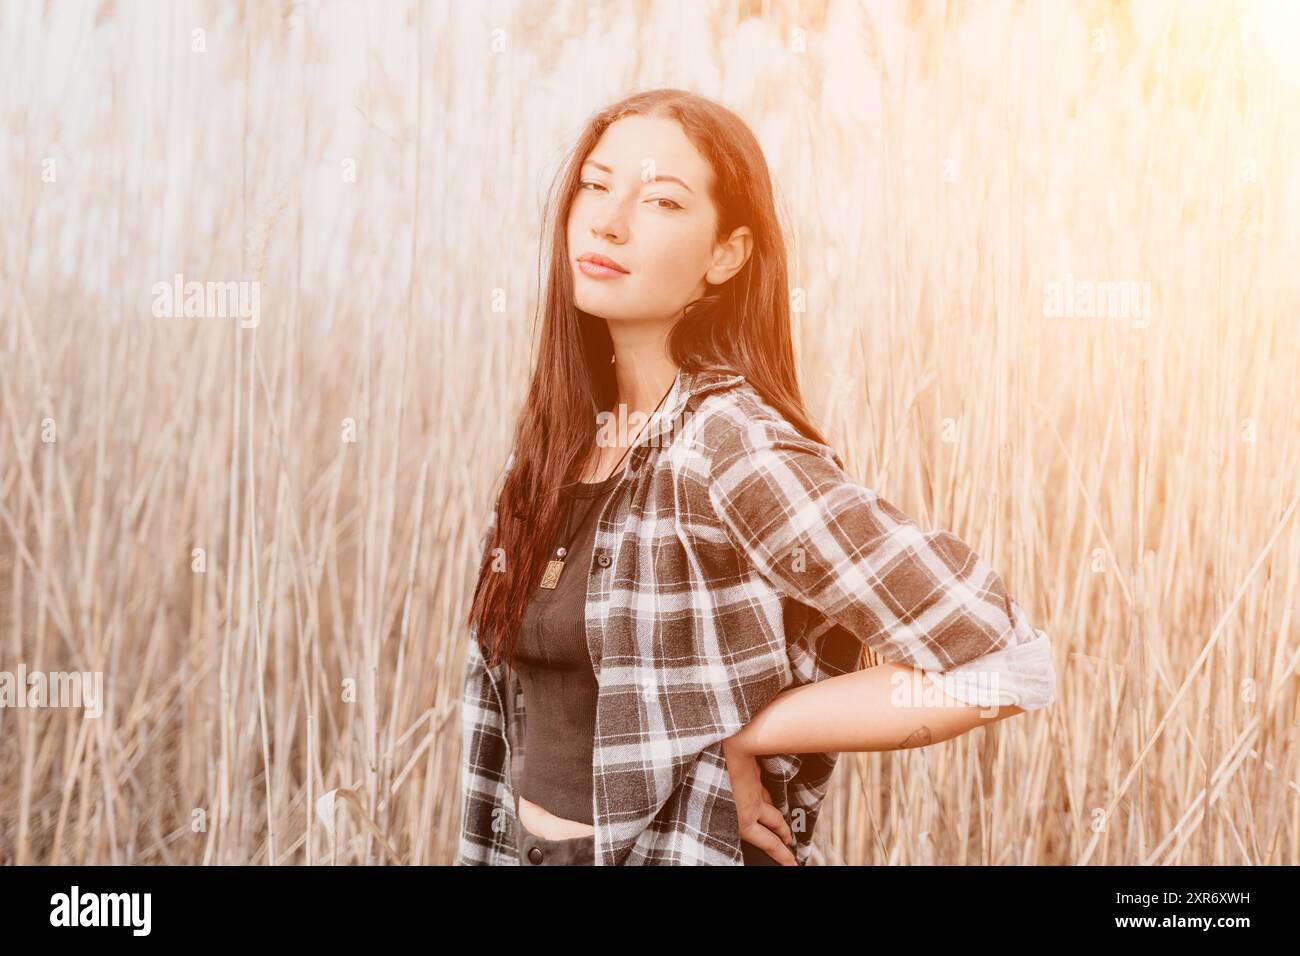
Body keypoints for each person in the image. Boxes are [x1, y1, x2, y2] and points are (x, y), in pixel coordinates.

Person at [458, 89, 1057, 866]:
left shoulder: (726, 448)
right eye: (596, 185)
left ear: (726, 255)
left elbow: (1007, 664)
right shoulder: (547, 454)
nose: (608, 220)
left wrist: (748, 733)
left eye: (663, 201)